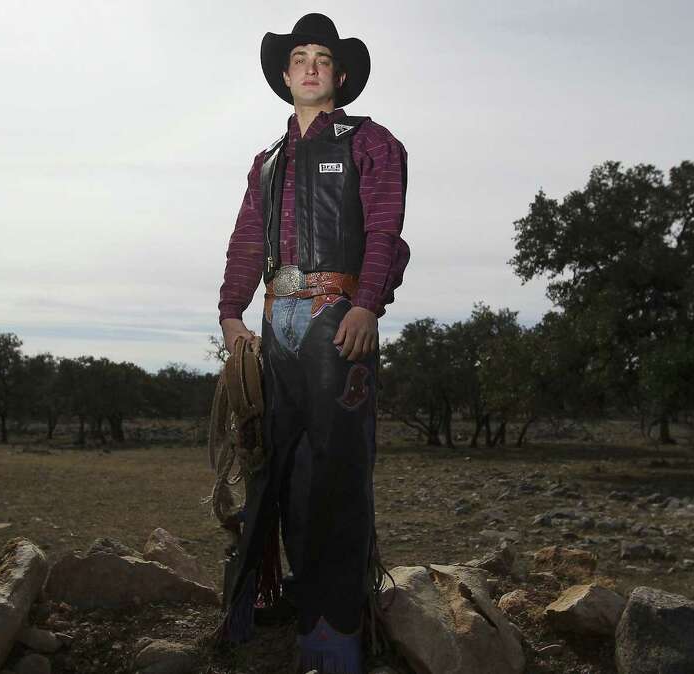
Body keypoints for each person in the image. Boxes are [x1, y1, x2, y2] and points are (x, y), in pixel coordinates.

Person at [214, 12, 410, 674]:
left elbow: (384, 231)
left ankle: (338, 629)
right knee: (280, 467)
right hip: (276, 325)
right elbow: (247, 240)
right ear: (284, 74)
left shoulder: (371, 142)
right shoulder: (266, 163)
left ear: (340, 76)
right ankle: (286, 604)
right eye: (299, 58)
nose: (309, 67)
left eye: (322, 59)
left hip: (337, 319)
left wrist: (368, 304)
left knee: (338, 469)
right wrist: (231, 314)